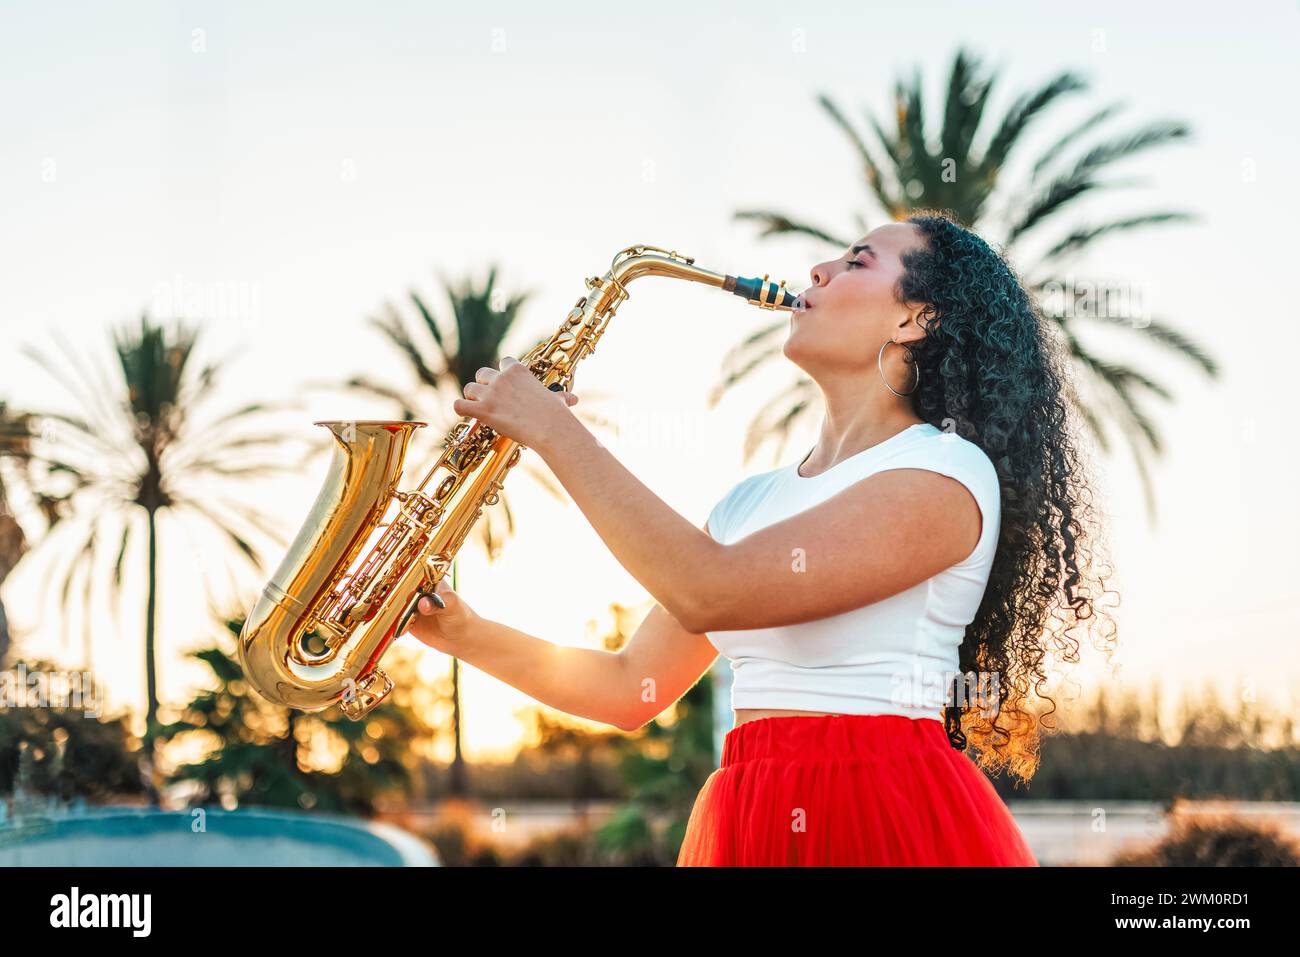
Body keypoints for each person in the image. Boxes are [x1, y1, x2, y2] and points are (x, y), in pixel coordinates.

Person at [404, 210, 1116, 866]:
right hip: (753, 813)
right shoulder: (748, 504)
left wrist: (554, 430)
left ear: (914, 318)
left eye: (857, 263)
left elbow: (708, 589)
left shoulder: (946, 471)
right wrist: (463, 632)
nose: (817, 272)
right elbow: (629, 688)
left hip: (882, 811)